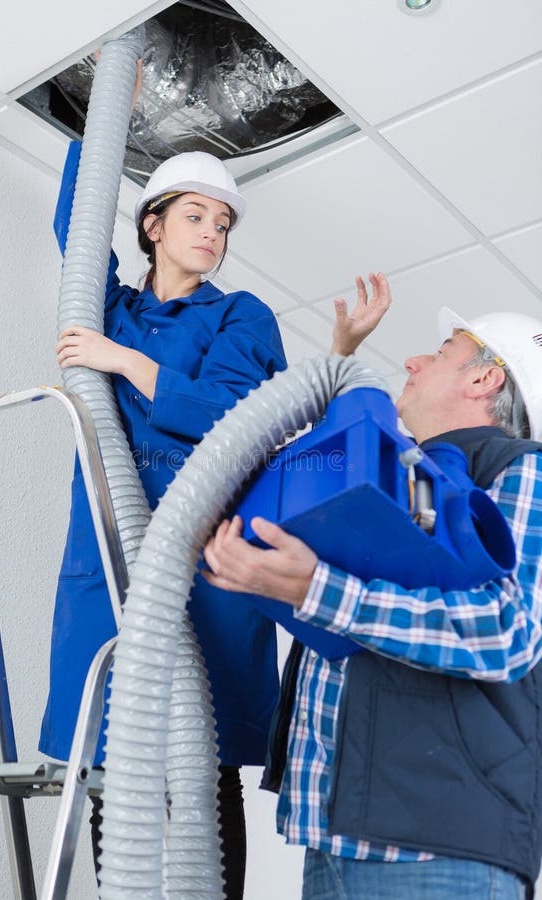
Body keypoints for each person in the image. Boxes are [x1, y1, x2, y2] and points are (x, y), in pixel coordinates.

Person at [38, 72, 287, 898]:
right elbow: (73, 227)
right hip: (109, 563)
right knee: (118, 766)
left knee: (202, 769)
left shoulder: (239, 316)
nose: (212, 233)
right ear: (151, 225)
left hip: (202, 573)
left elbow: (234, 414)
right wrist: (102, 116)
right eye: (194, 216)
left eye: (222, 224)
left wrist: (126, 364)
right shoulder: (106, 306)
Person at [203, 294, 542, 900]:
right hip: (335, 837)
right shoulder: (403, 475)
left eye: (440, 354)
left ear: (486, 378)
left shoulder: (521, 473)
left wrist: (315, 590)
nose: (411, 362)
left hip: (438, 845)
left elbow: (506, 629)